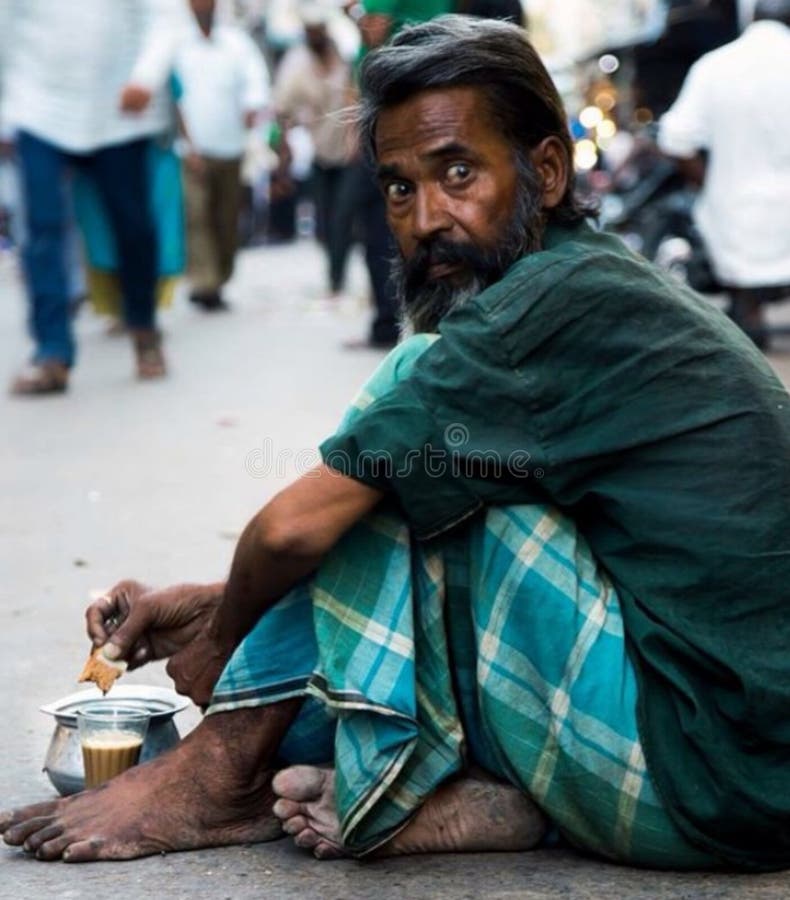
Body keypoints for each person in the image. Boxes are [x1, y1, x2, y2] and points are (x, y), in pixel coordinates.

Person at [4, 15, 790, 872]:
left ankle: (218, 774)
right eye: (398, 188)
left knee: (398, 445)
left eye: (459, 173)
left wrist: (224, 634)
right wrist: (225, 596)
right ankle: (500, 796)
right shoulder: (578, 282)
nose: (425, 219)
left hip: (713, 775)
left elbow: (295, 529)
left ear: (549, 171)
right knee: (415, 458)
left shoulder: (543, 314)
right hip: (739, 764)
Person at [0, 0, 187, 393]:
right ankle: (52, 350)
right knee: (42, 229)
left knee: (133, 226)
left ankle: (143, 327)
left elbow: (165, 17)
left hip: (119, 110)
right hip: (39, 109)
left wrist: (146, 77)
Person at [658, 0, 790, 349]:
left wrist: (708, 183)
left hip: (735, 222)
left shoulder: (715, 67)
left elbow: (675, 140)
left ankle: (751, 327)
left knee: (747, 340)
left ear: (750, 18)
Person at [175, 0, 269, 312]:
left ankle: (220, 277)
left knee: (226, 219)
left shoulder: (236, 43)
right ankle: (205, 282)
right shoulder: (177, 44)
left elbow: (256, 84)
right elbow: (172, 99)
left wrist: (252, 107)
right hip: (192, 152)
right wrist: (185, 145)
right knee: (196, 216)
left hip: (230, 148)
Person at [274, 7, 355, 298]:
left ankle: (337, 275)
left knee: (343, 217)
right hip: (317, 154)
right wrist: (284, 158)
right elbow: (282, 112)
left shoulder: (344, 56)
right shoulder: (295, 64)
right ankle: (333, 269)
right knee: (324, 217)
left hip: (347, 152)